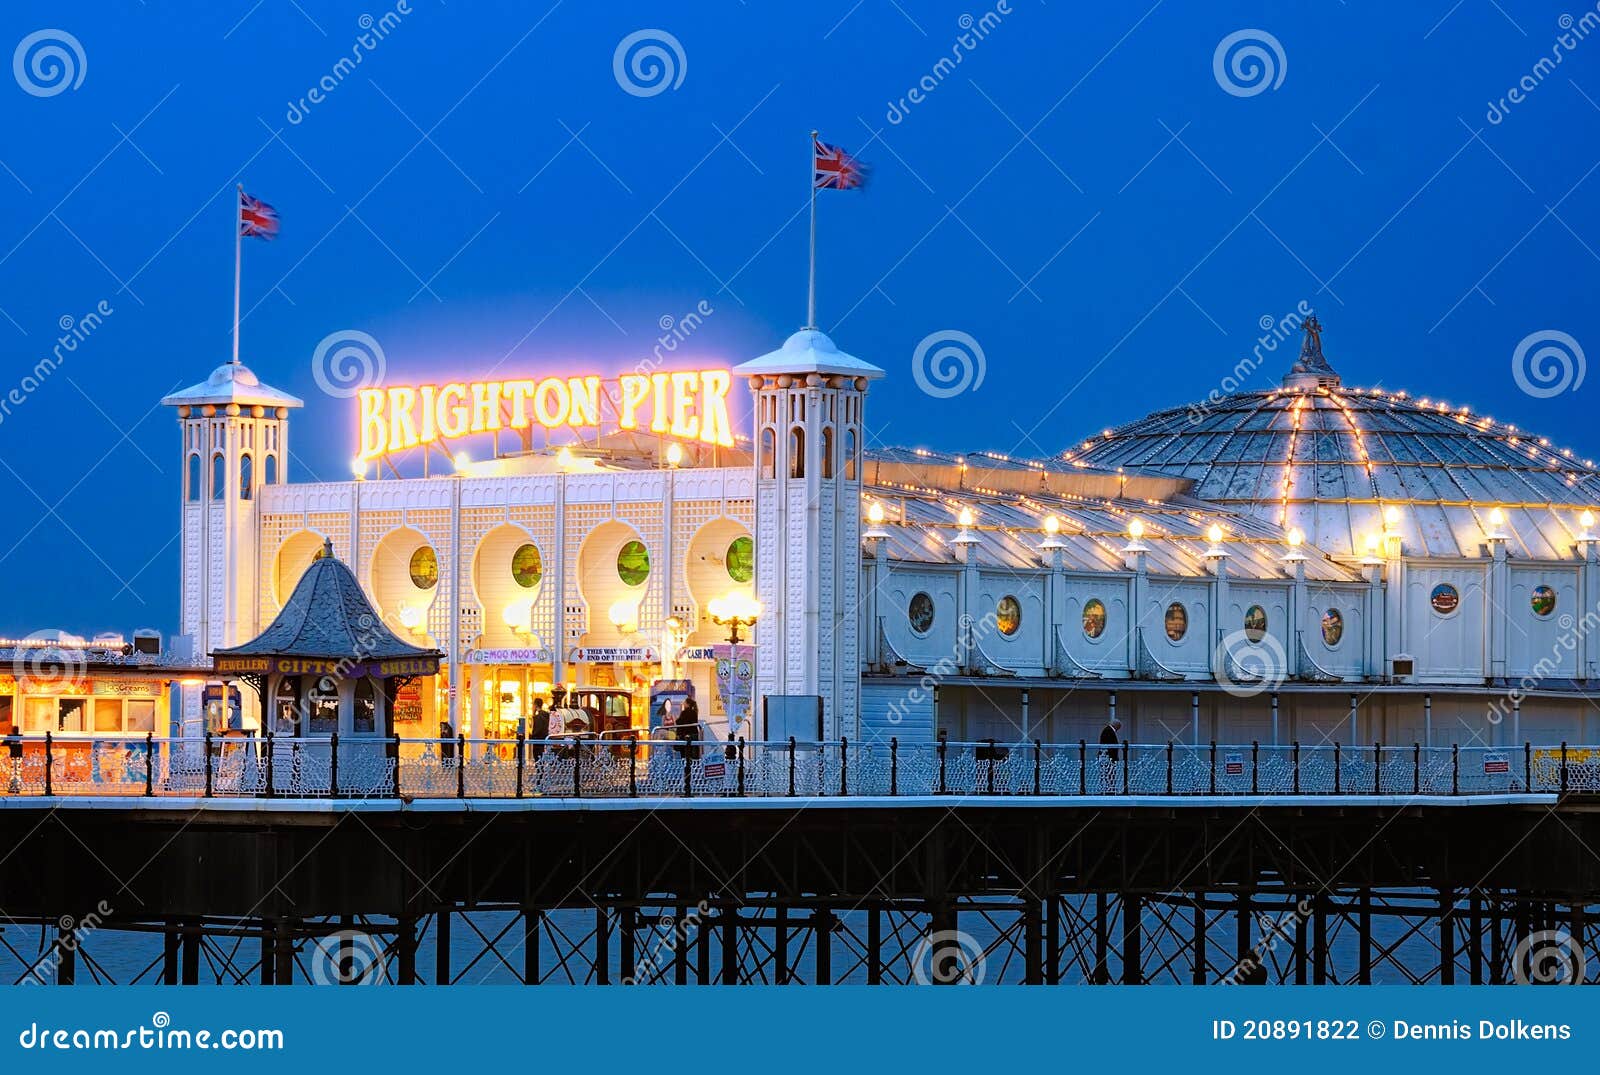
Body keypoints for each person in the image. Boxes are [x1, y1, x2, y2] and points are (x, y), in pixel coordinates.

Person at [1097, 716, 1122, 792]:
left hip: (1107, 757)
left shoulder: (1107, 730)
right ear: (1117, 726)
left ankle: (1109, 788)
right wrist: (1113, 757)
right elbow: (1110, 745)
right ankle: (1109, 789)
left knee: (1108, 773)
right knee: (1109, 773)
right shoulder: (1109, 731)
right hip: (1108, 757)